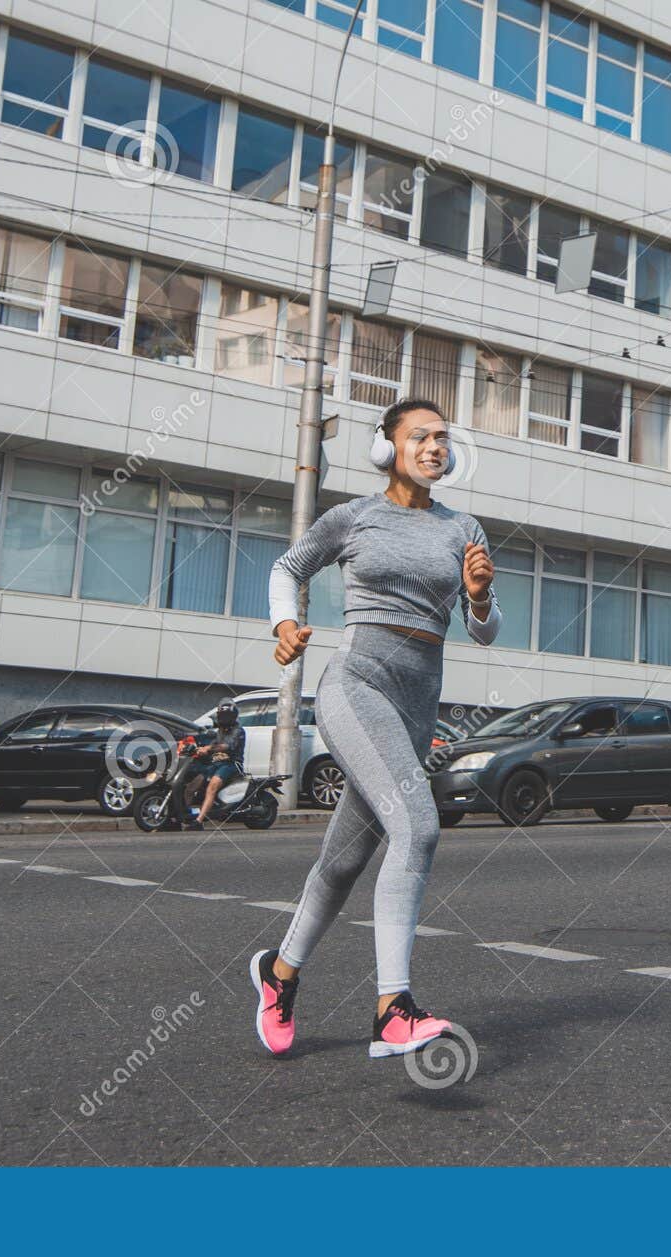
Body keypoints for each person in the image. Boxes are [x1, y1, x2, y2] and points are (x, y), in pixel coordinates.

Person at [248, 397, 499, 1060]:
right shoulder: (353, 517)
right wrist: (284, 624)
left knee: (345, 859)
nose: (435, 446)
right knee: (417, 827)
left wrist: (478, 598)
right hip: (357, 684)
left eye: (443, 437)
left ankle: (279, 974)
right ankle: (393, 1007)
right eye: (420, 436)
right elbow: (288, 567)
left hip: (417, 706)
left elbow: (484, 630)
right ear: (386, 447)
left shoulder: (463, 527)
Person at [191, 701, 245, 827]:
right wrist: (199, 749)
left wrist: (209, 749)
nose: (223, 718)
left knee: (212, 787)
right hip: (217, 763)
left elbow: (227, 746)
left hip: (232, 764)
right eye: (222, 715)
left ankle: (198, 821)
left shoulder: (238, 731)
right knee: (193, 784)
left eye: (226, 715)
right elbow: (213, 743)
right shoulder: (221, 730)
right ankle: (185, 815)